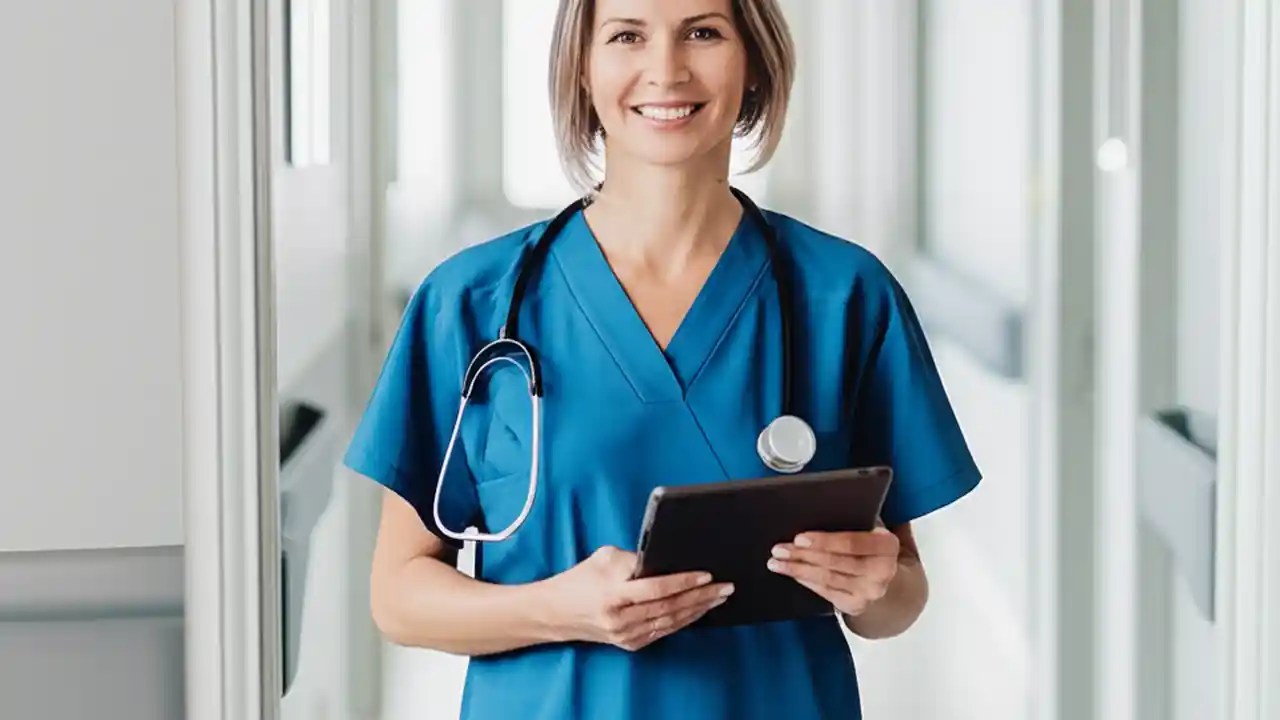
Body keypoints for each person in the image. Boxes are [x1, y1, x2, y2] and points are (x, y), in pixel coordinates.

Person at [343, 0, 982, 717]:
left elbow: (897, 598)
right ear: (581, 69)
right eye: (627, 36)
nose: (666, 70)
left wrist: (873, 586)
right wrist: (562, 610)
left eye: (703, 33)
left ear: (755, 63)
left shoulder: (843, 296)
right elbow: (398, 596)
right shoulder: (475, 302)